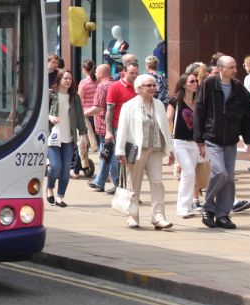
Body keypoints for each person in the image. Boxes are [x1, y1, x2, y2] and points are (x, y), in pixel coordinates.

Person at [194, 55, 250, 230]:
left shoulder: (238, 88)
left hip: (230, 140)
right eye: (231, 67)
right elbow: (199, 110)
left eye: (235, 67)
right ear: (220, 69)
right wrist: (199, 139)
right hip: (212, 138)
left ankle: (223, 215)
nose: (235, 70)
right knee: (220, 173)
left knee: (229, 179)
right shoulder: (209, 84)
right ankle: (208, 207)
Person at [116, 74, 174, 229]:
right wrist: (120, 151)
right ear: (139, 88)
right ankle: (132, 216)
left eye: (154, 85)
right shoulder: (129, 106)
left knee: (157, 183)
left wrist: (170, 149)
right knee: (134, 184)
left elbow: (165, 129)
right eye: (149, 85)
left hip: (155, 150)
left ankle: (158, 217)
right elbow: (122, 129)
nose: (152, 88)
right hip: (137, 151)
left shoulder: (159, 104)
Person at [90, 62, 138, 194]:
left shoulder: (139, 87)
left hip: (135, 129)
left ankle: (121, 185)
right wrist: (109, 131)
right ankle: (118, 184)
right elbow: (109, 110)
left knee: (131, 158)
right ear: (124, 73)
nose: (134, 76)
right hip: (118, 128)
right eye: (131, 73)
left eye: (136, 73)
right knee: (117, 157)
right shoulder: (115, 87)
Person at [46, 70, 87, 208]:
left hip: (69, 138)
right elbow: (41, 112)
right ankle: (50, 187)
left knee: (65, 171)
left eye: (70, 78)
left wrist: (83, 134)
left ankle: (60, 197)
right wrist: (49, 117)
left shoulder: (74, 97)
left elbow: (80, 116)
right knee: (55, 166)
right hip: (53, 138)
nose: (68, 81)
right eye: (65, 78)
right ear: (59, 79)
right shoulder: (51, 95)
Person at [167, 73, 202, 218]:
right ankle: (182, 207)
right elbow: (167, 119)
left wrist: (202, 143)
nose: (195, 83)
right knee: (189, 171)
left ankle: (186, 206)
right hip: (179, 142)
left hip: (194, 143)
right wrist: (167, 143)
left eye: (196, 81)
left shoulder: (198, 101)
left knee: (189, 175)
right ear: (184, 84)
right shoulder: (176, 100)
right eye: (192, 81)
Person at [73, 59, 98, 179]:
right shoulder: (97, 81)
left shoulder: (83, 83)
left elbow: (79, 100)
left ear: (84, 69)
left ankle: (76, 171)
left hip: (85, 115)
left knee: (82, 143)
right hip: (96, 114)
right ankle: (81, 167)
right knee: (90, 143)